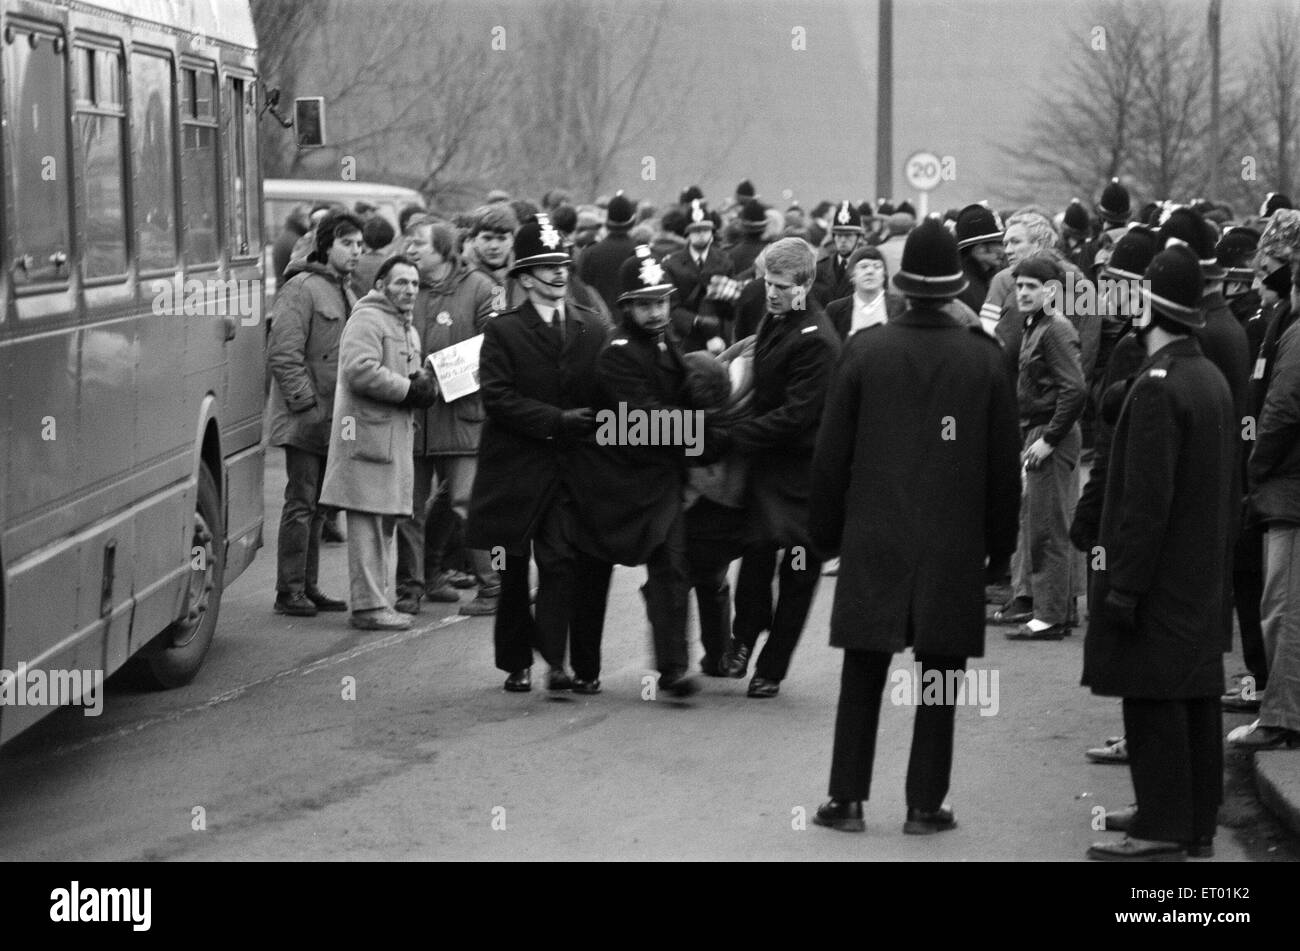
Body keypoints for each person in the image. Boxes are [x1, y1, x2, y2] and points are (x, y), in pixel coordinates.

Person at [808, 216, 1021, 835]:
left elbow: (830, 459)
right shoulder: (985, 360)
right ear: (956, 288)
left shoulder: (865, 351)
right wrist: (998, 552)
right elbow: (1002, 470)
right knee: (938, 676)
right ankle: (925, 804)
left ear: (900, 285)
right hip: (952, 541)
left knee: (864, 668)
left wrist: (825, 534)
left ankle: (846, 798)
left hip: (874, 533)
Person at [1084, 245, 1236, 861]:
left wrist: (1123, 585)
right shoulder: (1207, 377)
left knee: (1152, 698)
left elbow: (1145, 503)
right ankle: (1191, 814)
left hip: (1160, 577)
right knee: (1194, 693)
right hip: (1198, 574)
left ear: (1150, 312)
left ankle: (1162, 825)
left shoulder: (1156, 387)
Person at [465, 214, 609, 692]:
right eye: (548, 267)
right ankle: (515, 661)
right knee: (510, 570)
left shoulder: (592, 327)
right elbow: (498, 398)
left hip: (569, 474)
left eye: (563, 264)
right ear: (525, 278)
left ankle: (555, 661)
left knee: (559, 563)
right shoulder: (503, 331)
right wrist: (555, 421)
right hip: (513, 473)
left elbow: (607, 392)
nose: (560, 273)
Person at [569, 246, 712, 696]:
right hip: (611, 482)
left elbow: (684, 396)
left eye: (662, 302)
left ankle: (673, 669)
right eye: (646, 304)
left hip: (659, 481)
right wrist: (706, 431)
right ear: (626, 306)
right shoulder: (616, 352)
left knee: (671, 568)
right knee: (593, 574)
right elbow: (643, 420)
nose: (657, 312)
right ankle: (585, 668)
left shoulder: (667, 341)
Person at [716, 238, 842, 698]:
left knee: (798, 570)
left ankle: (773, 667)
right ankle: (743, 640)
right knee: (754, 554)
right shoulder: (774, 317)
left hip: (805, 471)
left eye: (781, 286)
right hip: (768, 463)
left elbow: (797, 416)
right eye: (767, 282)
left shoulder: (819, 341)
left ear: (804, 285)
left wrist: (733, 436)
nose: (771, 293)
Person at [319, 256, 439, 631]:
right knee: (368, 527)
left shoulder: (403, 324)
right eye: (401, 282)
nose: (409, 290)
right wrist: (408, 389)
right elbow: (359, 369)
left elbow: (400, 372)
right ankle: (369, 607)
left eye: (415, 284)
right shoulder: (368, 318)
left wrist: (423, 381)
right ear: (382, 283)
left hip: (386, 442)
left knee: (381, 525)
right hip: (367, 441)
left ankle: (374, 602)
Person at [395, 216, 499, 616]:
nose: (411, 248)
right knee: (409, 506)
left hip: (463, 417)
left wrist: (438, 373)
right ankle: (412, 587)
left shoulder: (483, 288)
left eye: (419, 242)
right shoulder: (403, 285)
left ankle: (492, 586)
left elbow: (495, 349)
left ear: (443, 248)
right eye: (409, 241)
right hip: (414, 419)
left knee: (466, 503)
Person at [266, 210, 364, 617]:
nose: (356, 252)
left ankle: (308, 586)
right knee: (301, 502)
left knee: (321, 506)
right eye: (348, 243)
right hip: (306, 416)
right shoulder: (301, 288)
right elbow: (283, 354)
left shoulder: (348, 290)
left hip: (334, 418)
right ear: (326, 245)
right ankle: (289, 591)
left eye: (360, 245)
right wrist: (305, 405)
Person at [994, 254, 1086, 640]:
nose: (1024, 292)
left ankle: (1049, 615)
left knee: (1047, 527)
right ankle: (1056, 612)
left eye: (1032, 286)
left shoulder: (1054, 329)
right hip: (1040, 431)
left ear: (1051, 291)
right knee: (1041, 522)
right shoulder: (1038, 325)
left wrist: (1049, 439)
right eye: (1020, 286)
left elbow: (1075, 388)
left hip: (1052, 434)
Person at [663, 200, 737, 352]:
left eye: (705, 229)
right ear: (688, 233)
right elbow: (671, 306)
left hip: (720, 340)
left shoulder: (725, 261)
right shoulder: (671, 264)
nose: (701, 234)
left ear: (712, 231)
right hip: (686, 340)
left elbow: (731, 307)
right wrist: (696, 321)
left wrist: (721, 336)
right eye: (696, 230)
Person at [824, 245, 905, 340]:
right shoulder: (835, 310)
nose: (870, 271)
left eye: (877, 266)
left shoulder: (900, 306)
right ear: (852, 274)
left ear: (884, 275)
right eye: (864, 266)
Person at [579, 191, 639, 313]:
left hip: (601, 324)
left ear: (607, 222)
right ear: (632, 222)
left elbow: (581, 294)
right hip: (633, 324)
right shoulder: (642, 253)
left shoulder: (589, 253)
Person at [953, 203, 1005, 319]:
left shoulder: (985, 277)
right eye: (999, 243)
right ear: (979, 249)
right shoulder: (966, 289)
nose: (1005, 250)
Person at [811, 201, 864, 308]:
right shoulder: (820, 268)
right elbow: (800, 297)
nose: (843, 240)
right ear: (833, 237)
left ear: (859, 238)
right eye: (839, 235)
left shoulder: (867, 268)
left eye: (848, 235)